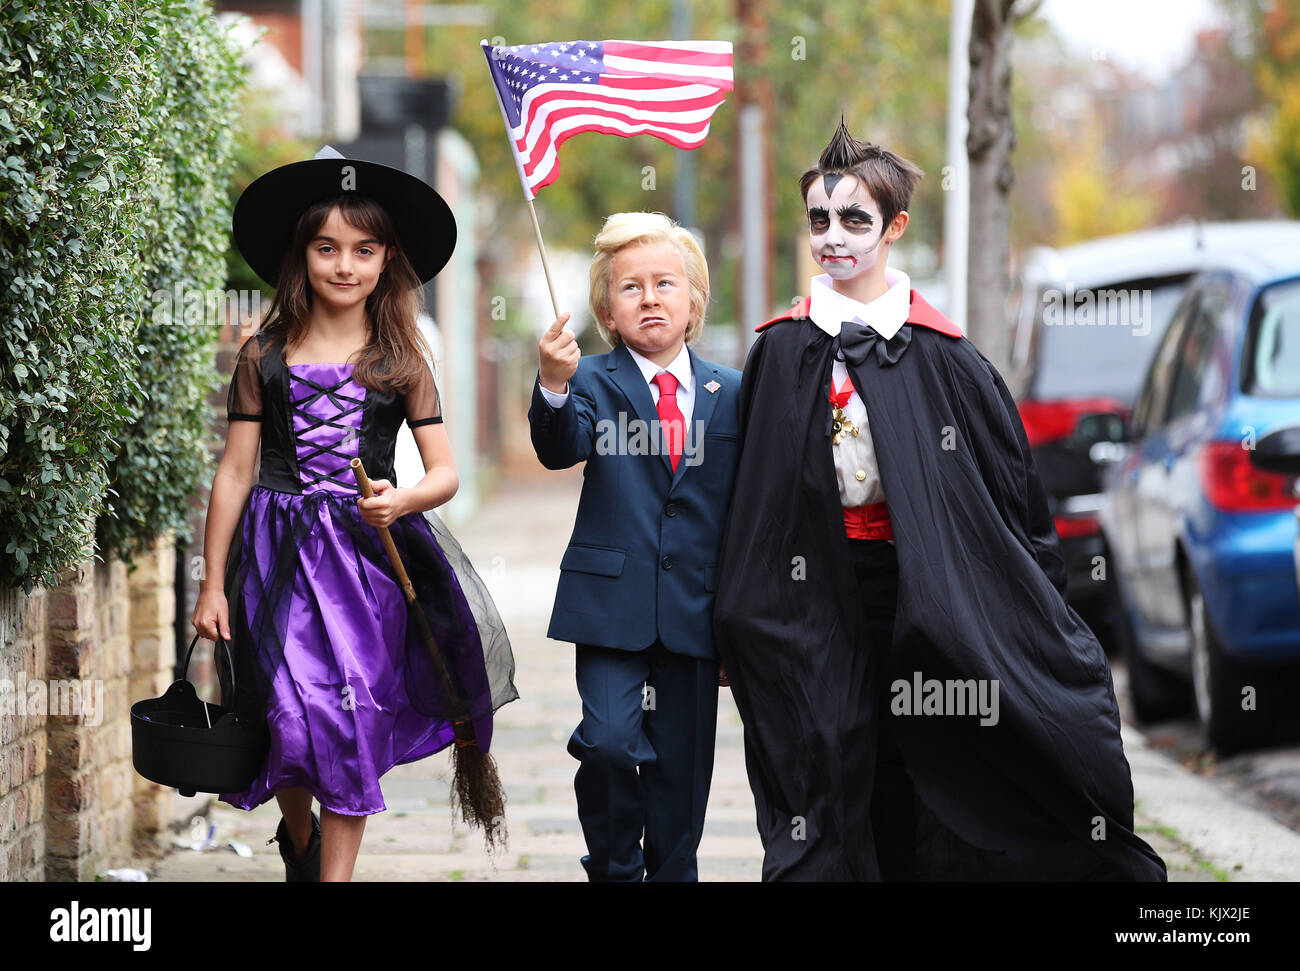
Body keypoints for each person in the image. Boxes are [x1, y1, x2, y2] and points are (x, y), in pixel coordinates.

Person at [712, 120, 1167, 882]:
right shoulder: (781, 349)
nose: (833, 237)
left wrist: (1038, 614)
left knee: (936, 751)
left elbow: (1012, 502)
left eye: (855, 219)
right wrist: (733, 618)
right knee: (826, 759)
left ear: (894, 227)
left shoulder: (943, 355)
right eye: (819, 219)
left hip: (927, 593)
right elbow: (748, 496)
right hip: (811, 600)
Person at [191, 147, 517, 882]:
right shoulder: (262, 355)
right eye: (327, 248)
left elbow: (446, 473)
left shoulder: (401, 361)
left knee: (349, 714)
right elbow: (236, 469)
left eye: (364, 250)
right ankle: (297, 839)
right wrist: (213, 583)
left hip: (367, 562)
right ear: (301, 256)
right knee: (285, 710)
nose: (345, 265)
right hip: (272, 556)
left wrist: (401, 498)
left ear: (387, 259)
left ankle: (330, 878)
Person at [528, 211, 741, 881]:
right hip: (610, 608)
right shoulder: (591, 381)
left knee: (682, 770)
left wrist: (743, 621)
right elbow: (560, 447)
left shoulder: (732, 392)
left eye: (665, 283)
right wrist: (554, 385)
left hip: (696, 613)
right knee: (612, 743)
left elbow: (745, 510)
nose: (650, 297)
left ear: (693, 302)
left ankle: (673, 872)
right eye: (630, 288)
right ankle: (617, 867)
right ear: (607, 314)